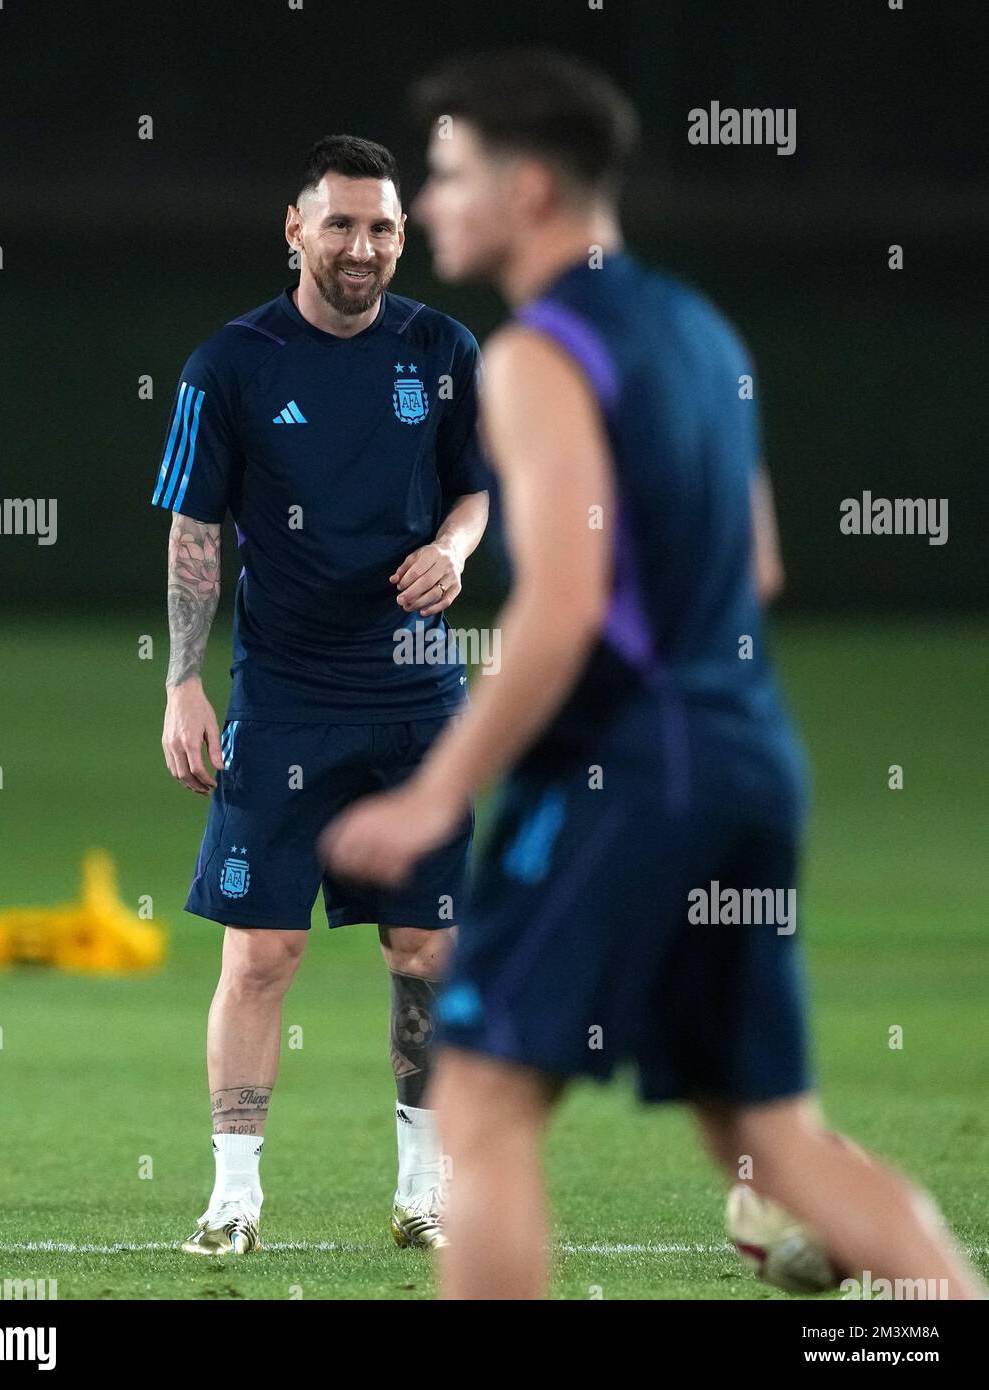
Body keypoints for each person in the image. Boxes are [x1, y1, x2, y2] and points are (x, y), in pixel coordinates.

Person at [321, 52, 985, 1300]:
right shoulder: (695, 325)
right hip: (746, 762)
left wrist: (433, 793)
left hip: (633, 773)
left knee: (484, 1106)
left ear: (524, 190)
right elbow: (763, 564)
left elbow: (563, 609)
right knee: (774, 1137)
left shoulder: (534, 357)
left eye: (453, 176)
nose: (434, 203)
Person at [152, 134, 489, 1255]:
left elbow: (476, 493)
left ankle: (424, 1191)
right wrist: (182, 681)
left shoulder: (443, 350)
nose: (362, 245)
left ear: (405, 235)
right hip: (285, 696)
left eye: (383, 225)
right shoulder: (229, 364)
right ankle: (234, 1196)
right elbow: (195, 529)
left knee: (425, 952)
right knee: (259, 954)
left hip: (417, 698)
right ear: (294, 230)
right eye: (340, 222)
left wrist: (454, 546)